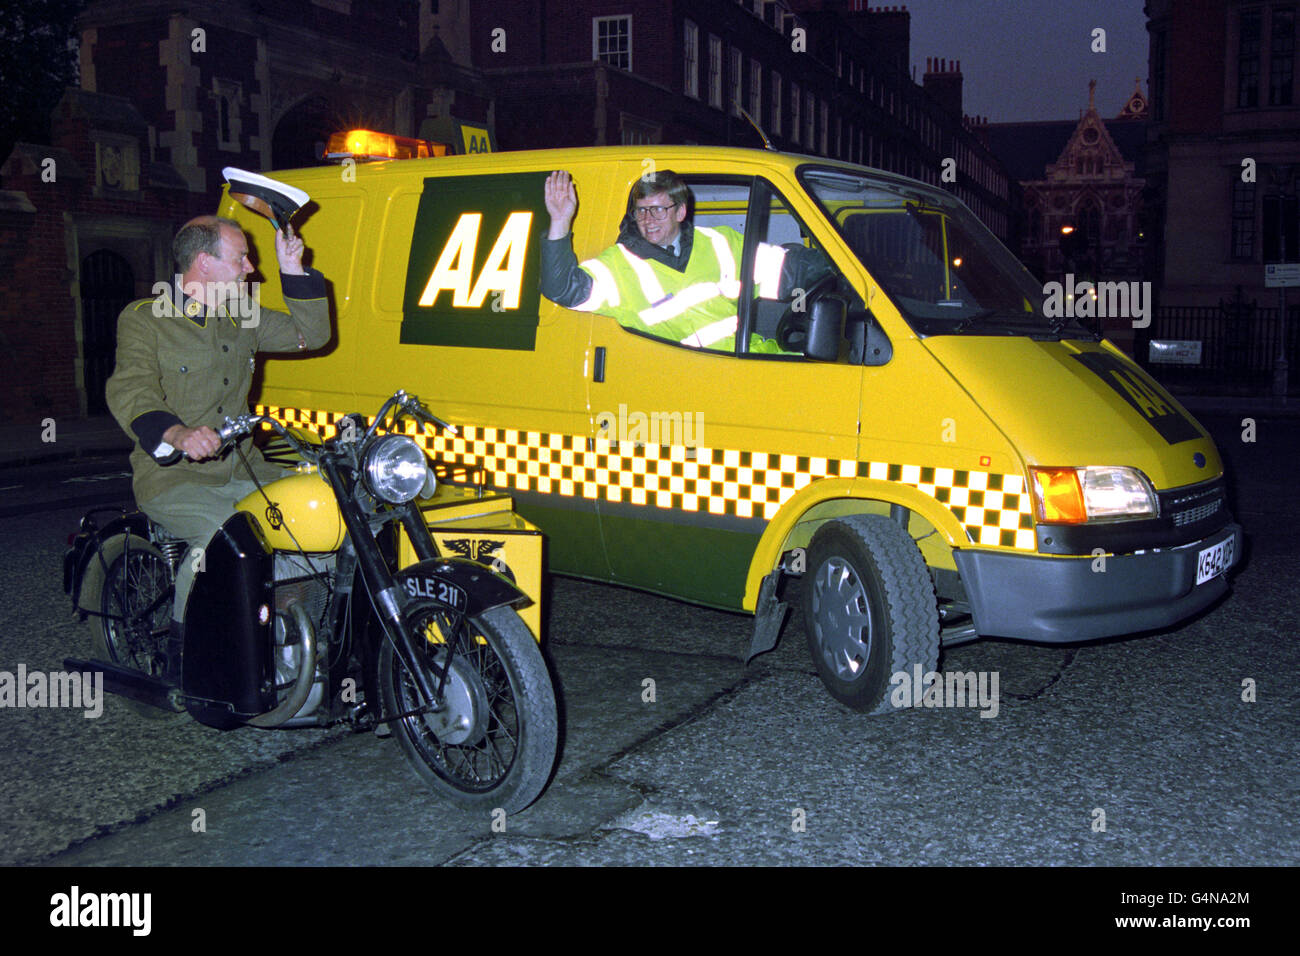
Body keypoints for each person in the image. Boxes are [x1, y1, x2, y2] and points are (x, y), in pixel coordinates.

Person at [106, 214, 330, 617]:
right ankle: (187, 651)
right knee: (224, 539)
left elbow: (311, 336)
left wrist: (293, 271)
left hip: (246, 470)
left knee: (323, 510)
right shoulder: (146, 318)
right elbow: (131, 388)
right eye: (241, 258)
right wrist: (176, 433)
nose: (251, 268)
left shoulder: (242, 315)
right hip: (174, 478)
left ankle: (294, 631)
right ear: (205, 264)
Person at [540, 169, 826, 353]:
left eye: (658, 210)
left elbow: (793, 270)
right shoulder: (620, 264)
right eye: (641, 212)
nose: (648, 220)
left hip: (751, 364)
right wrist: (560, 221)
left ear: (680, 212)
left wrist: (849, 274)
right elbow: (562, 288)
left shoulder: (720, 243)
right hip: (687, 383)